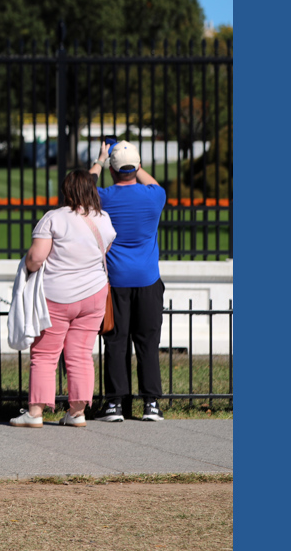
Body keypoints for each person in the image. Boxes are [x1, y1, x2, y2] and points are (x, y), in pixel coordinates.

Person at [10, 169, 115, 428]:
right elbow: (105, 250)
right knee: (80, 354)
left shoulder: (54, 218)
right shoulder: (104, 219)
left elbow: (36, 258)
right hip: (94, 294)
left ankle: (35, 413)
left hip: (57, 295)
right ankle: (77, 413)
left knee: (45, 354)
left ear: (67, 190)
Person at [89, 141, 168, 422]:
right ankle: (151, 404)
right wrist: (137, 166)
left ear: (112, 169)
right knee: (148, 341)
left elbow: (84, 188)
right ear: (136, 167)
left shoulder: (105, 197)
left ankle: (115, 404)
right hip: (148, 279)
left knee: (116, 340)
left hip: (116, 280)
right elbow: (155, 184)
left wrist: (99, 160)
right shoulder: (154, 197)